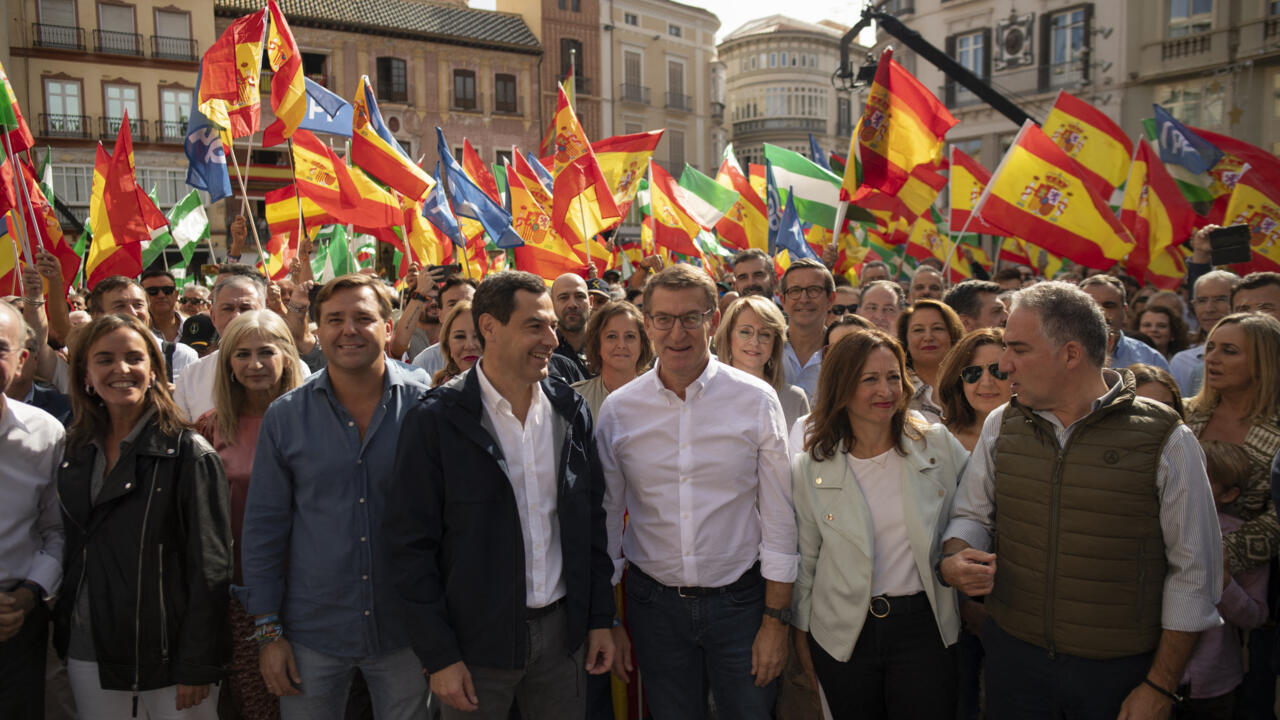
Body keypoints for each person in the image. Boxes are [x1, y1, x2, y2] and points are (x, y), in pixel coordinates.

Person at [939, 282, 1222, 719]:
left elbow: (1195, 574)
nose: (1004, 363)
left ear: (1070, 354)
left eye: (1018, 348)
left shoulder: (1166, 439)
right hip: (1016, 665)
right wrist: (957, 555)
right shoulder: (1002, 423)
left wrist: (1159, 685)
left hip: (1118, 676)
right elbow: (971, 514)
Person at [386, 270, 615, 719]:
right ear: (489, 327)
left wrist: (599, 619)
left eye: (552, 325)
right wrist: (440, 656)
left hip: (563, 641)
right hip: (473, 651)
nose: (551, 338)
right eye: (535, 326)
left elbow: (591, 523)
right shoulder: (435, 420)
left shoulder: (570, 410)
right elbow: (410, 547)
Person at [596, 264, 796, 720]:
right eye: (663, 318)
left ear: (712, 320)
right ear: (647, 324)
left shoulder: (756, 399)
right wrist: (610, 618)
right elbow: (607, 521)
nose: (677, 331)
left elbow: (781, 518)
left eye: (691, 317)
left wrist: (775, 622)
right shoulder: (620, 410)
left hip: (742, 605)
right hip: (653, 608)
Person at [237, 275, 431, 720]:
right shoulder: (285, 417)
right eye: (335, 319)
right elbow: (264, 529)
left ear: (389, 326)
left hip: (407, 633)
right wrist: (269, 634)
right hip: (311, 633)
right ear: (317, 332)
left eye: (363, 318)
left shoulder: (426, 408)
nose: (349, 330)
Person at [56, 313, 232, 720]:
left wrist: (197, 663)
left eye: (134, 358)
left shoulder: (189, 453)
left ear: (154, 370)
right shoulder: (72, 452)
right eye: (104, 359)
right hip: (90, 650)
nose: (121, 369)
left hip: (170, 657)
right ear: (85, 373)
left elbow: (211, 569)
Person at [790, 329, 966, 718]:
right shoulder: (810, 468)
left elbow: (974, 514)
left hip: (925, 628)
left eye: (892, 376)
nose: (885, 390)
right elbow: (807, 559)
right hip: (842, 635)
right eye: (869, 379)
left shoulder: (936, 446)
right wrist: (800, 634)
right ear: (842, 387)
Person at [195, 311, 307, 720]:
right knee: (259, 703)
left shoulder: (314, 419)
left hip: (314, 589)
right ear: (228, 365)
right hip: (242, 592)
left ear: (287, 357)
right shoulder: (210, 428)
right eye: (242, 354)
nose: (255, 364)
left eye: (266, 352)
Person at [0, 302, 64, 720]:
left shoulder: (46, 433)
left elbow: (57, 531)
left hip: (16, 624)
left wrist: (26, 597)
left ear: (22, 359)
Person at [1177, 440, 1268, 719]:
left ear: (1228, 494)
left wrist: (1224, 581)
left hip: (1214, 682)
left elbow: (1255, 616)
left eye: (1202, 480)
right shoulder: (1158, 524)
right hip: (1152, 675)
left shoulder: (1242, 539)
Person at [1185, 313, 1280, 579]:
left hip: (1247, 583)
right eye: (1211, 347)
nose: (1212, 358)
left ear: (1265, 363)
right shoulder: (1183, 413)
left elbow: (1276, 519)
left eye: (1230, 351)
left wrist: (1221, 554)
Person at [174, 270, 270, 423]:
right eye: (228, 309)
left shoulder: (293, 368)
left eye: (245, 308)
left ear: (264, 314)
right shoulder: (191, 376)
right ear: (213, 316)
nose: (236, 316)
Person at [715, 295, 811, 430]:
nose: (754, 342)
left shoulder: (795, 399)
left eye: (764, 334)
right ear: (728, 336)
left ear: (775, 343)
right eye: (745, 332)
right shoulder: (706, 394)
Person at [88, 275, 199, 383]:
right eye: (119, 306)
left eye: (138, 305)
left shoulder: (181, 356)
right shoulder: (85, 358)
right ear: (97, 315)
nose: (132, 313)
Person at [571, 301, 653, 418]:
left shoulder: (659, 400)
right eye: (612, 336)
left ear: (642, 344)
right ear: (598, 345)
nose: (621, 345)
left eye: (630, 336)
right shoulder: (576, 398)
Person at [936, 328, 1012, 452]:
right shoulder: (940, 442)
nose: (987, 382)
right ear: (958, 382)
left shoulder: (1040, 437)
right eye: (973, 372)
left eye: (998, 370)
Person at [1079, 275, 1171, 372]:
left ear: (1124, 311)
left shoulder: (1150, 359)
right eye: (1091, 305)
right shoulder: (1063, 356)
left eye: (1109, 305)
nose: (1100, 312)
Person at [1170, 270, 1238, 396]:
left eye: (1220, 299)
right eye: (1202, 301)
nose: (1209, 309)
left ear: (1238, 302)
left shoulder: (1260, 355)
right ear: (1193, 305)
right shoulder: (1181, 362)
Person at [896, 300, 965, 424]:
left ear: (953, 335)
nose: (928, 337)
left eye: (937, 329)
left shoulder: (970, 384)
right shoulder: (897, 390)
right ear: (905, 339)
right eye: (918, 330)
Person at [780, 259, 835, 402]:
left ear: (831, 299)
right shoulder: (766, 349)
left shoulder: (842, 354)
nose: (804, 299)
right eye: (795, 291)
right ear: (782, 301)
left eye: (813, 290)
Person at [408, 275, 477, 377]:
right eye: (453, 304)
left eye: (468, 302)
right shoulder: (424, 362)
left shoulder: (497, 356)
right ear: (440, 314)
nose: (461, 309)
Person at [549, 272, 593, 383]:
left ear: (591, 302)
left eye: (579, 296)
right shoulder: (543, 350)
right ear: (551, 303)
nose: (572, 304)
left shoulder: (607, 346)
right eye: (563, 298)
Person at [431, 300, 481, 387]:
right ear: (447, 346)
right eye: (460, 337)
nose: (469, 346)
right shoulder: (436, 396)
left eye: (477, 336)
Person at [142, 269, 185, 343]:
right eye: (152, 291)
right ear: (142, 295)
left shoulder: (192, 327)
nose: (161, 295)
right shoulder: (136, 332)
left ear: (176, 295)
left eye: (167, 290)